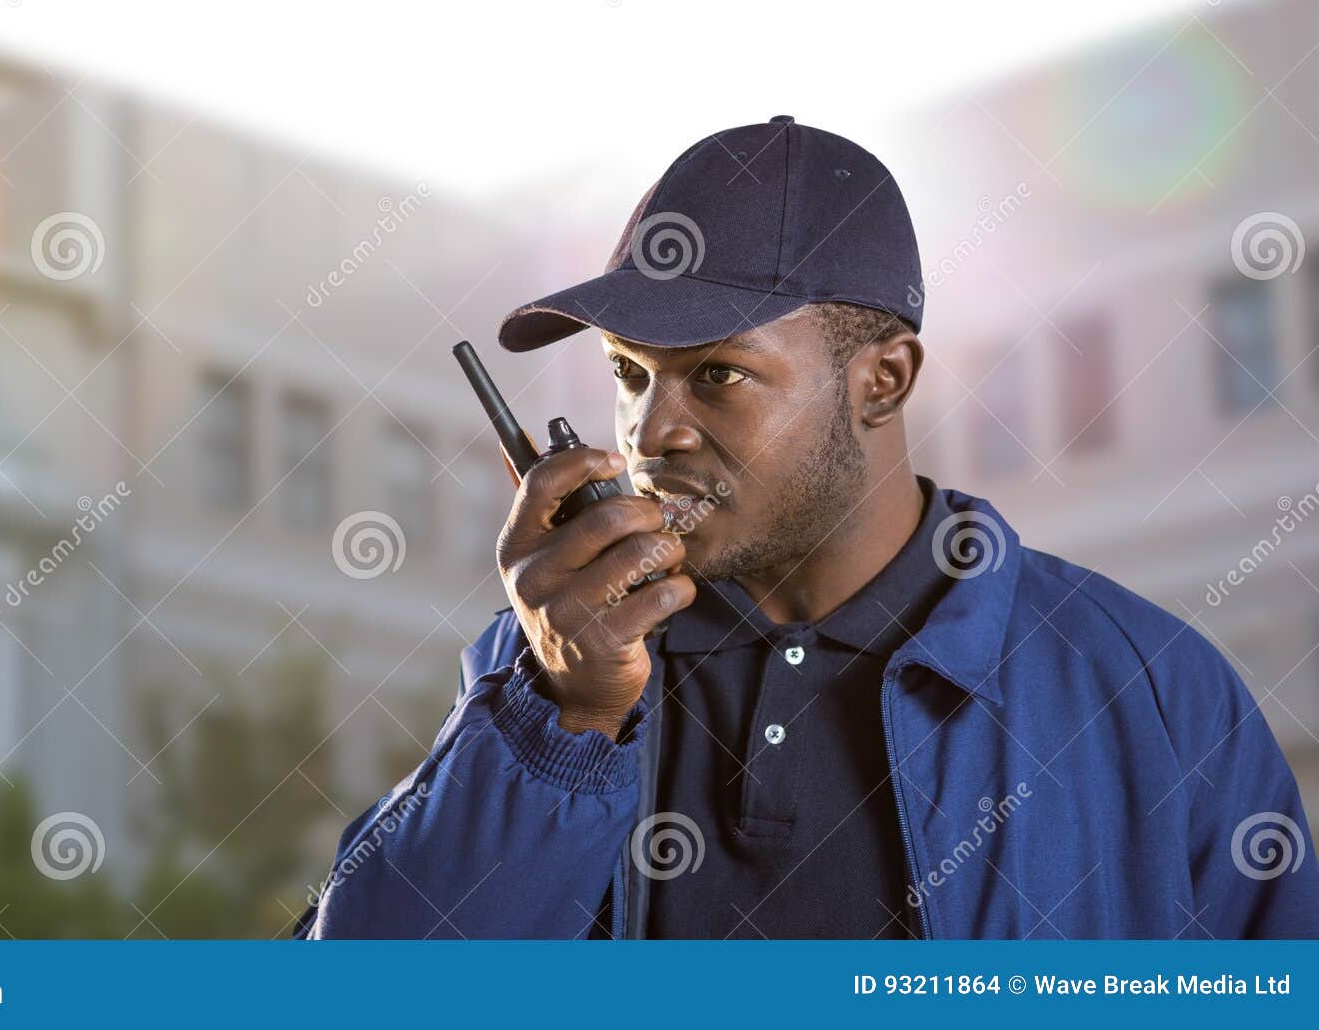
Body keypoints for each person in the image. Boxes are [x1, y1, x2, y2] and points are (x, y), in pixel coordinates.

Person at [296, 115, 1319, 939]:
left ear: (881, 381)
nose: (652, 429)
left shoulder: (1142, 687)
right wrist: (559, 723)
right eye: (627, 373)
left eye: (717, 375)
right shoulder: (550, 667)